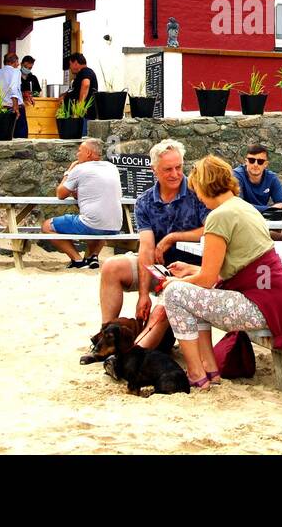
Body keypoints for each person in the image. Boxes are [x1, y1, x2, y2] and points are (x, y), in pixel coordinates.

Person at [161, 156, 282, 389]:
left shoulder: (218, 217)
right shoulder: (243, 208)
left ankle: (196, 372)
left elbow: (208, 279)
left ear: (204, 186)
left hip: (260, 307)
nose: (198, 197)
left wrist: (173, 282)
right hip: (276, 302)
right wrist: (193, 271)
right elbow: (240, 266)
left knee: (174, 294)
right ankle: (209, 369)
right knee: (191, 293)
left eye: (197, 190)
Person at [90, 140, 207, 357]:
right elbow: (146, 248)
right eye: (168, 169)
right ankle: (105, 336)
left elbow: (210, 229)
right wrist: (143, 294)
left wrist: (172, 238)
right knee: (111, 267)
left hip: (192, 267)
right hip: (159, 267)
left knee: (161, 314)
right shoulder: (144, 201)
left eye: (179, 167)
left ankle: (138, 348)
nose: (175, 174)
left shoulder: (197, 192)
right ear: (154, 170)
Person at [42, 138, 122, 269]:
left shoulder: (80, 169)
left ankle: (77, 260)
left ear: (88, 153)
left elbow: (60, 194)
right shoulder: (112, 167)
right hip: (115, 226)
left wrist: (69, 170)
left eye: (79, 151)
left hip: (93, 224)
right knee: (99, 220)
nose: (77, 154)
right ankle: (92, 256)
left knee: (47, 226)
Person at [231, 144, 282, 212]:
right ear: (246, 162)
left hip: (263, 219)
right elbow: (238, 205)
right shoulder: (236, 176)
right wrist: (269, 208)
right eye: (252, 160)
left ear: (265, 164)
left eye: (260, 161)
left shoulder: (271, 178)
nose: (255, 164)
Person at [0, 52, 24, 134]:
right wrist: (16, 107)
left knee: (3, 135)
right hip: (13, 108)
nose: (18, 64)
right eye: (17, 62)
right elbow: (13, 89)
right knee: (20, 136)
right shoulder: (16, 72)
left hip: (1, 108)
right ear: (13, 62)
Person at [63, 52, 98, 119]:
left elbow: (86, 84)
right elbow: (74, 90)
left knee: (83, 129)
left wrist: (79, 107)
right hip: (78, 116)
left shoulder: (86, 71)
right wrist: (64, 95)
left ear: (75, 63)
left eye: (70, 64)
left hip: (83, 115)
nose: (70, 67)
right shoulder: (80, 74)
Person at [15, 55, 42, 139]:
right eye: (25, 67)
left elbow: (39, 92)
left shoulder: (33, 78)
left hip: (31, 106)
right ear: (21, 64)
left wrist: (33, 94)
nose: (27, 69)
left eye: (30, 68)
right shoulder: (15, 76)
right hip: (19, 105)